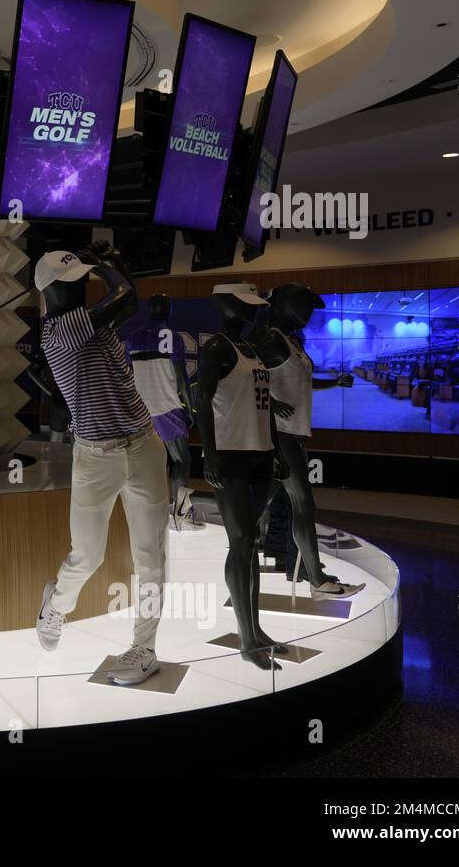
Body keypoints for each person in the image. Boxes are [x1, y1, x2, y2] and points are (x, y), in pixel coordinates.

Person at [31, 244, 168, 686]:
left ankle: (144, 647)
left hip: (143, 443)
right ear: (49, 292)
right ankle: (56, 607)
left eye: (82, 283)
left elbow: (125, 301)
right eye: (71, 285)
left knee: (151, 556)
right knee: (86, 555)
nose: (79, 291)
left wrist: (103, 267)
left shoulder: (91, 320)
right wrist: (108, 265)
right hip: (95, 456)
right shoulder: (59, 330)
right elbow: (126, 296)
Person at [198, 281, 290, 670]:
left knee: (251, 541)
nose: (254, 311)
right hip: (231, 456)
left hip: (259, 455)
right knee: (241, 540)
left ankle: (256, 629)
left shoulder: (252, 350)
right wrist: (209, 454)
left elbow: (264, 404)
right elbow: (201, 400)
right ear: (227, 305)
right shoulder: (217, 347)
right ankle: (246, 636)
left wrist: (276, 448)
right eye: (246, 304)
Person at [252, 284, 363, 597]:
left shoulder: (289, 341)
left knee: (265, 505)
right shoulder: (269, 338)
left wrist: (335, 383)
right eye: (303, 305)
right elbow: (243, 378)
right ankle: (317, 580)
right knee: (303, 504)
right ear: (287, 305)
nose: (308, 313)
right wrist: (270, 404)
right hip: (280, 434)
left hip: (295, 433)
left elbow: (304, 381)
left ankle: (307, 571)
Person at [126, 294, 200, 530]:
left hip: (139, 411)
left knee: (144, 463)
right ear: (168, 310)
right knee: (182, 459)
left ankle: (145, 514)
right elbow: (181, 378)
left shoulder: (133, 337)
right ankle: (181, 514)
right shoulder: (171, 337)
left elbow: (127, 375)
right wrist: (191, 407)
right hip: (166, 407)